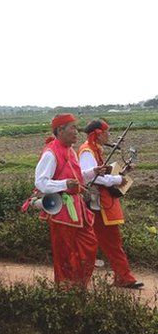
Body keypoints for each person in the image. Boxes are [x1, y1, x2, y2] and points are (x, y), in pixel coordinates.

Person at [33, 114, 100, 287]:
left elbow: (77, 177)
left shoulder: (70, 150)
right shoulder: (51, 153)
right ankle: (66, 289)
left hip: (78, 209)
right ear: (60, 130)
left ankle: (78, 284)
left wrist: (94, 171)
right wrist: (64, 184)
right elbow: (40, 182)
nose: (76, 132)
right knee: (65, 251)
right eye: (72, 128)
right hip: (61, 209)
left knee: (89, 245)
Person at [78, 119, 143, 289]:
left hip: (102, 203)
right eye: (106, 132)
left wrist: (123, 173)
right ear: (97, 134)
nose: (109, 135)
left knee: (111, 243)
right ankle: (79, 282)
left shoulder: (94, 150)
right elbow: (92, 177)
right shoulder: (87, 152)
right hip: (96, 206)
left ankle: (122, 276)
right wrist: (117, 179)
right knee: (108, 243)